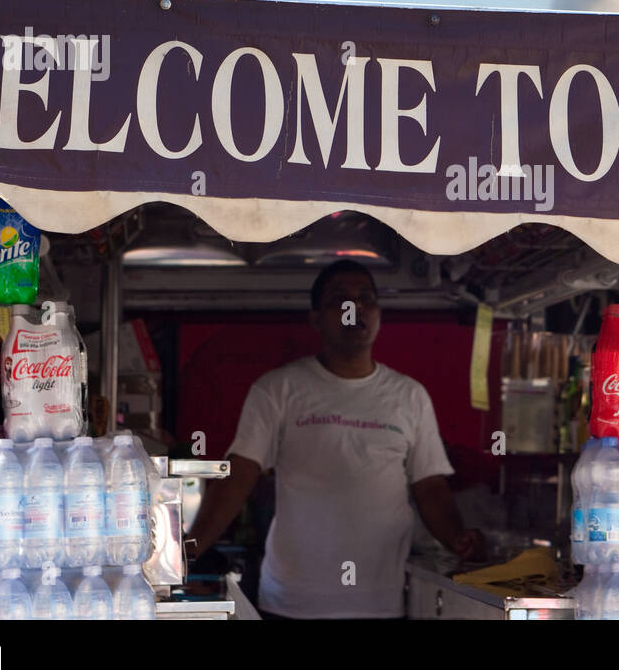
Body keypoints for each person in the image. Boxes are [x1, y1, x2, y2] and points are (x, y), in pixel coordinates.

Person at [188, 259, 485, 618]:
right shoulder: (278, 389)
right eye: (339, 299)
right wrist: (189, 549)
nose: (354, 308)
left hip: (379, 604)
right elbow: (239, 475)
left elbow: (430, 485)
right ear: (316, 319)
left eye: (366, 298)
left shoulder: (410, 396)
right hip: (292, 603)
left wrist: (456, 537)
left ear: (378, 314)